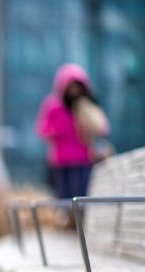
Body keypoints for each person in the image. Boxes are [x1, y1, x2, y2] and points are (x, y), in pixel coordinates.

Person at [36, 63, 109, 200]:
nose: (73, 91)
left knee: (81, 196)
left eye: (77, 87)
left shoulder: (85, 104)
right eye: (70, 87)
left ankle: (79, 221)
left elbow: (103, 127)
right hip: (60, 160)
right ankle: (68, 221)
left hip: (82, 159)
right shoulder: (53, 105)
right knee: (63, 198)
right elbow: (43, 129)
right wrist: (56, 129)